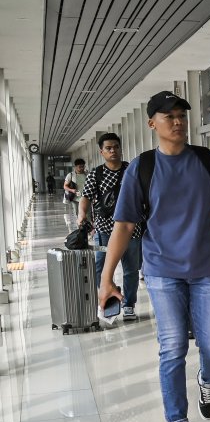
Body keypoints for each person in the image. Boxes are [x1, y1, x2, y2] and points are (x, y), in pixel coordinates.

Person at [97, 90, 210, 422]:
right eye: (168, 116)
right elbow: (123, 225)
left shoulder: (208, 161)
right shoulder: (142, 167)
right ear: (152, 123)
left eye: (181, 115)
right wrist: (108, 278)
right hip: (162, 271)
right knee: (172, 349)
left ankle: (207, 381)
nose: (177, 121)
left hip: (207, 269)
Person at [78, 133, 142, 321]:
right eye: (108, 148)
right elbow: (86, 197)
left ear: (120, 148)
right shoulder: (96, 174)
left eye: (116, 147)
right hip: (104, 231)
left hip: (132, 230)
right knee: (100, 266)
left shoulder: (132, 170)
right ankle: (109, 295)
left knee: (131, 269)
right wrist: (82, 213)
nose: (113, 151)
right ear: (102, 152)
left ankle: (129, 304)